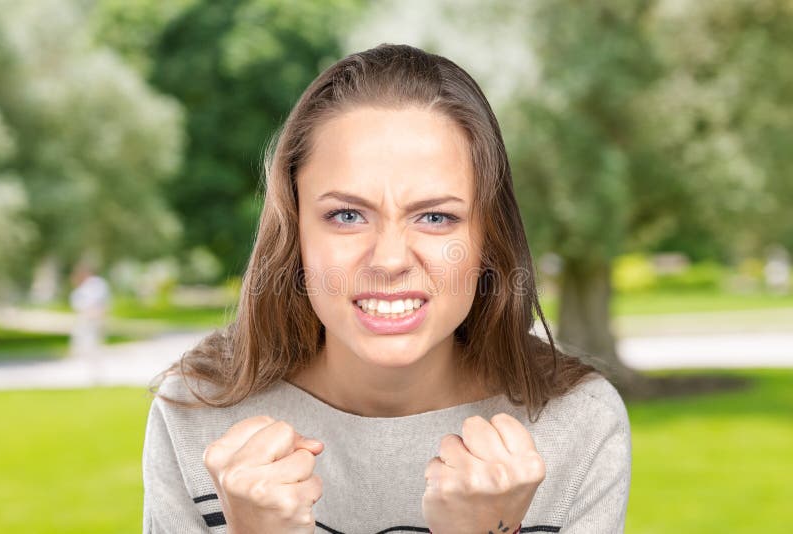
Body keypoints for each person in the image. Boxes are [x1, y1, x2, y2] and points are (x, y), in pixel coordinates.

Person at [142, 44, 631, 534]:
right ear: (295, 234)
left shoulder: (576, 426)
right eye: (347, 215)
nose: (391, 260)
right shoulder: (195, 414)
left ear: (488, 239)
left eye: (436, 217)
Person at [69, 263, 110, 384]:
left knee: (92, 346)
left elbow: (99, 304)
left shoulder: (95, 285)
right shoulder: (82, 288)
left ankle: (95, 375)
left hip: (93, 321)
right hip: (85, 321)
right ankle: (89, 373)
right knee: (83, 346)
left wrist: (97, 315)